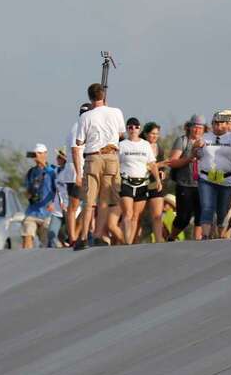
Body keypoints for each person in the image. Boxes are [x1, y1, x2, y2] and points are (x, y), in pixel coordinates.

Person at [72, 83, 126, 251]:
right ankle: (98, 235)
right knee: (104, 200)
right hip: (111, 157)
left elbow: (79, 141)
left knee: (89, 201)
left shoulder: (85, 116)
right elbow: (121, 133)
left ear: (90, 98)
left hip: (94, 157)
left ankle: (83, 237)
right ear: (104, 96)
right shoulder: (116, 112)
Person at [196, 111, 231, 238]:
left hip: (226, 179)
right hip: (207, 178)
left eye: (221, 123)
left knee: (223, 211)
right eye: (215, 123)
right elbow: (196, 154)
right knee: (207, 207)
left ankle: (221, 236)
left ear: (227, 124)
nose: (218, 126)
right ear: (211, 124)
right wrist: (196, 148)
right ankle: (205, 236)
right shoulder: (205, 137)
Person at [117, 118, 160, 245]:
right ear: (127, 129)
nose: (133, 129)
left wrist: (158, 179)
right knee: (128, 213)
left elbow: (152, 164)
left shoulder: (145, 144)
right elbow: (115, 164)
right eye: (130, 127)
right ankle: (126, 241)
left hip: (142, 183)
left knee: (136, 216)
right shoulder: (122, 145)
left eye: (136, 127)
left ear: (139, 129)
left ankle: (129, 242)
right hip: (126, 181)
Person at [166, 115, 205, 241]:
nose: (197, 130)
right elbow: (172, 162)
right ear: (189, 127)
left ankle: (197, 240)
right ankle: (171, 237)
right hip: (185, 184)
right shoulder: (182, 141)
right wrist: (189, 158)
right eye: (195, 127)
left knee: (201, 215)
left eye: (200, 127)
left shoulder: (207, 141)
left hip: (202, 184)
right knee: (184, 217)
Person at [58, 101, 89, 247]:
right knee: (74, 206)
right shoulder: (78, 127)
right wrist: (79, 173)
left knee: (88, 205)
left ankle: (74, 235)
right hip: (77, 171)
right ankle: (72, 238)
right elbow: (75, 150)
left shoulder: (80, 126)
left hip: (78, 170)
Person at [21, 143, 57, 249]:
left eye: (40, 153)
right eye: (36, 154)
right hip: (32, 212)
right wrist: (30, 193)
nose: (37, 156)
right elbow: (26, 193)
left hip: (47, 214)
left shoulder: (52, 171)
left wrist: (54, 203)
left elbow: (59, 190)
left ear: (46, 154)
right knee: (27, 235)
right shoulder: (31, 172)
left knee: (45, 243)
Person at [140, 122, 167, 243]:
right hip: (140, 183)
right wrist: (157, 165)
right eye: (152, 133)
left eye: (157, 134)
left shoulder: (159, 148)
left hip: (154, 183)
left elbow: (161, 165)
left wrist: (161, 171)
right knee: (137, 216)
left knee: (157, 215)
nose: (155, 136)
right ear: (146, 134)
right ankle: (131, 241)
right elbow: (138, 166)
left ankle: (159, 240)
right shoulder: (139, 146)